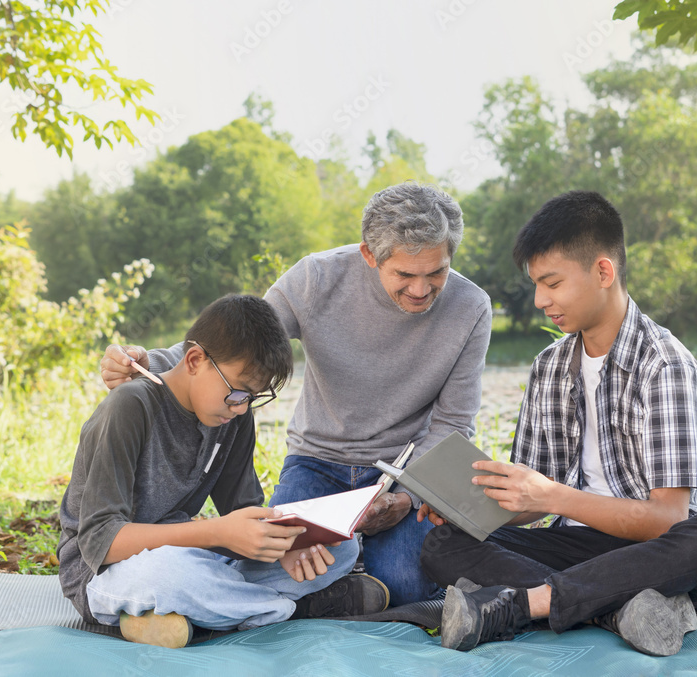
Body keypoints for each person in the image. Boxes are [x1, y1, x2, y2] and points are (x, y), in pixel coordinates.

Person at [100, 183, 493, 605]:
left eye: (436, 272)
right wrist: (150, 361)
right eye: (404, 274)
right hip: (316, 462)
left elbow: (453, 424)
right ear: (368, 255)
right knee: (276, 563)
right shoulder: (315, 278)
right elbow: (239, 343)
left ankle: (351, 578)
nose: (421, 290)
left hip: (401, 472)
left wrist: (407, 495)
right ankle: (342, 583)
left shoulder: (471, 308)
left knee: (405, 587)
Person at [419, 191, 697, 656]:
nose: (540, 300)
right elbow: (533, 502)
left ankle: (523, 605)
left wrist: (552, 496)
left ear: (603, 272)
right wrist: (464, 506)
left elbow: (667, 520)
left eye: (552, 283)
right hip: (582, 548)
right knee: (443, 543)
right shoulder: (550, 366)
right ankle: (614, 612)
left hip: (664, 553)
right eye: (536, 284)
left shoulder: (665, 366)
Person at [58, 295, 387, 649]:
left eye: (253, 397)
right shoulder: (129, 406)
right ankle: (293, 609)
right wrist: (217, 532)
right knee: (170, 575)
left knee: (342, 548)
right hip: (103, 572)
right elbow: (100, 542)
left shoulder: (233, 418)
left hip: (189, 554)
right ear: (195, 360)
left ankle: (190, 614)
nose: (242, 408)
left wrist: (284, 547)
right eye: (237, 393)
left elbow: (242, 510)